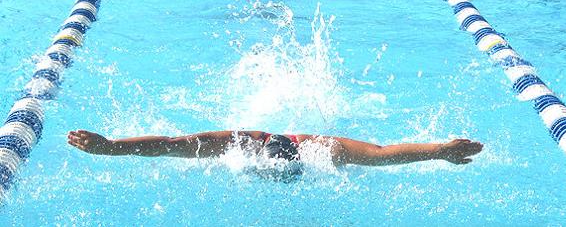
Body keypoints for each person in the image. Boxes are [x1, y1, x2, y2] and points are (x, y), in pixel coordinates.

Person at [67, 129, 484, 181]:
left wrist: (440, 151)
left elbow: (381, 153)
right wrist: (111, 148)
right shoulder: (236, 142)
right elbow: (172, 144)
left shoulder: (320, 147)